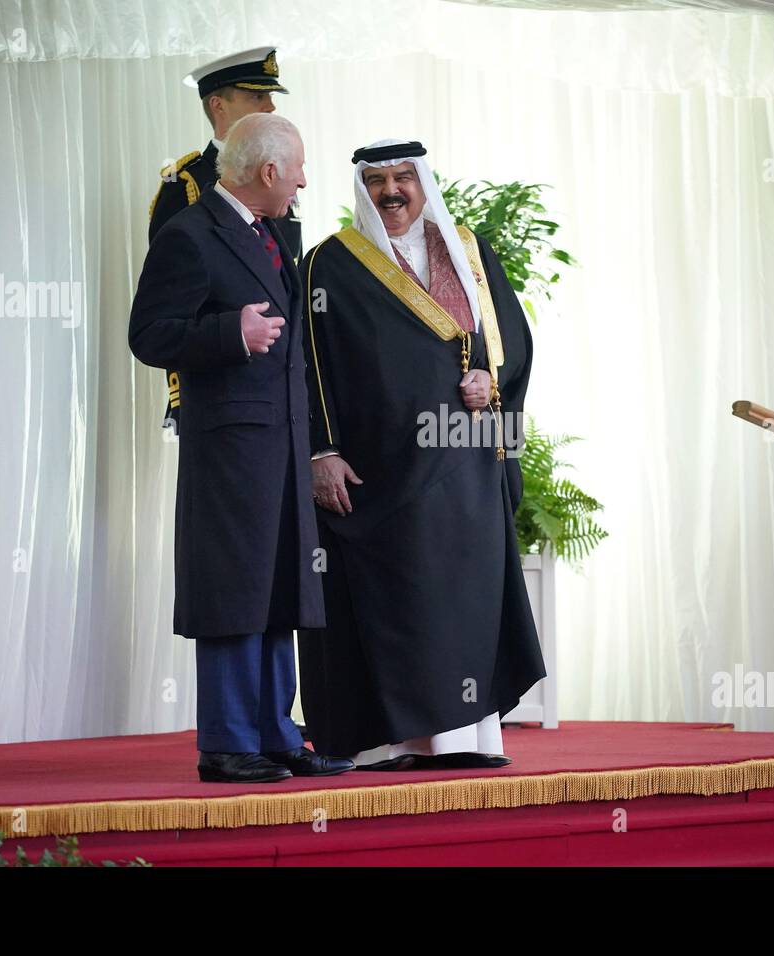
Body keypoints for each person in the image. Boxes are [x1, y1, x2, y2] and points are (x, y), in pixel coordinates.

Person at [296, 139, 545, 770]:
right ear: (362, 189)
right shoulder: (331, 263)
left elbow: (511, 340)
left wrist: (491, 378)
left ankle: (464, 739)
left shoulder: (469, 251)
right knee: (400, 602)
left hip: (466, 461)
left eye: (404, 178)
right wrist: (320, 451)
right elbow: (308, 365)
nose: (391, 192)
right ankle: (395, 744)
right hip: (380, 471)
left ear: (423, 182)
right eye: (376, 181)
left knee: (465, 600)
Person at [129, 113, 352, 783]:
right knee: (234, 592)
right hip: (229, 454)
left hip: (279, 448)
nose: (305, 181)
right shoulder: (190, 235)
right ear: (268, 172)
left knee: (278, 588)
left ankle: (276, 736)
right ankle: (226, 743)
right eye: (300, 169)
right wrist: (230, 332)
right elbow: (150, 335)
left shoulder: (269, 232)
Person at [148, 46, 303, 438]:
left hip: (281, 390)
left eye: (270, 97)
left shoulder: (279, 172)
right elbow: (168, 308)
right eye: (256, 96)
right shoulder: (187, 185)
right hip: (224, 395)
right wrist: (182, 395)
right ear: (218, 105)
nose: (269, 107)